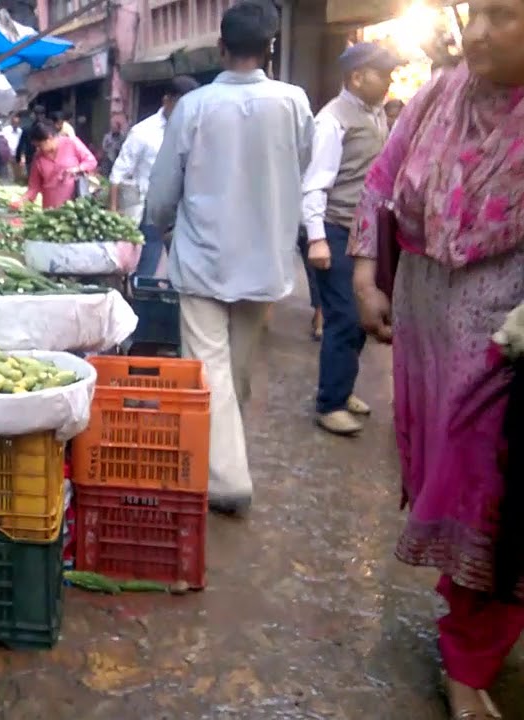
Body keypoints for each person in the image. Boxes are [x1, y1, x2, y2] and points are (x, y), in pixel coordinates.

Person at [349, 0, 524, 713]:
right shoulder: (440, 93)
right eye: (476, 11)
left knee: (494, 494)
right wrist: (365, 275)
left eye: (505, 16)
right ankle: (468, 646)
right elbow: (382, 182)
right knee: (452, 482)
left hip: (505, 333)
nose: (479, 31)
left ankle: (468, 662)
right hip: (428, 322)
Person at [144, 0, 314, 515]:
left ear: (220, 48)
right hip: (264, 257)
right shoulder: (293, 102)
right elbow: (299, 164)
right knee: (235, 369)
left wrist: (160, 222)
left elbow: (163, 189)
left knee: (209, 369)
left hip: (203, 258)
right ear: (270, 49)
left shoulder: (195, 107)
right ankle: (221, 458)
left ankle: (225, 477)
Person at [301, 42, 401, 436]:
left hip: (366, 232)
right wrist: (316, 238)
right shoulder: (333, 120)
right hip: (337, 228)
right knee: (342, 318)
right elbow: (315, 184)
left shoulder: (375, 113)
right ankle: (329, 403)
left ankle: (342, 390)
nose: (390, 81)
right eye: (383, 73)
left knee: (360, 318)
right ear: (357, 77)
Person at [109, 75, 201, 278]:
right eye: (181, 104)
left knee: (185, 269)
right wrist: (114, 212)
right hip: (152, 210)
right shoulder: (143, 132)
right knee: (148, 266)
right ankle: (142, 302)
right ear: (166, 100)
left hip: (187, 209)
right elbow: (118, 174)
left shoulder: (197, 130)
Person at [19, 120, 98, 210]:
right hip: (50, 207)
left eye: (40, 145)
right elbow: (33, 187)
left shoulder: (71, 143)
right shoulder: (38, 157)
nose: (38, 149)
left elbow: (91, 161)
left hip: (75, 205)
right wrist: (22, 200)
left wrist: (77, 169)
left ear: (49, 138)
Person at [14, 105, 48, 173]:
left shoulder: (27, 129)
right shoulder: (49, 128)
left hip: (32, 160)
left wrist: (18, 158)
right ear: (44, 115)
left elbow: (20, 145)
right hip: (46, 160)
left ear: (33, 115)